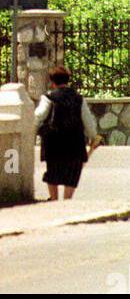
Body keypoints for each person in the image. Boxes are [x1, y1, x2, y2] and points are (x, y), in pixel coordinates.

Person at [34, 65, 101, 200]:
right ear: (68, 80)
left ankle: (54, 200)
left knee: (52, 173)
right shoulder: (78, 99)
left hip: (54, 143)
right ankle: (67, 202)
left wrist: (35, 131)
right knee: (72, 175)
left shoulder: (49, 98)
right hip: (74, 143)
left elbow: (38, 116)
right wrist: (94, 137)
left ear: (52, 82)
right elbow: (88, 122)